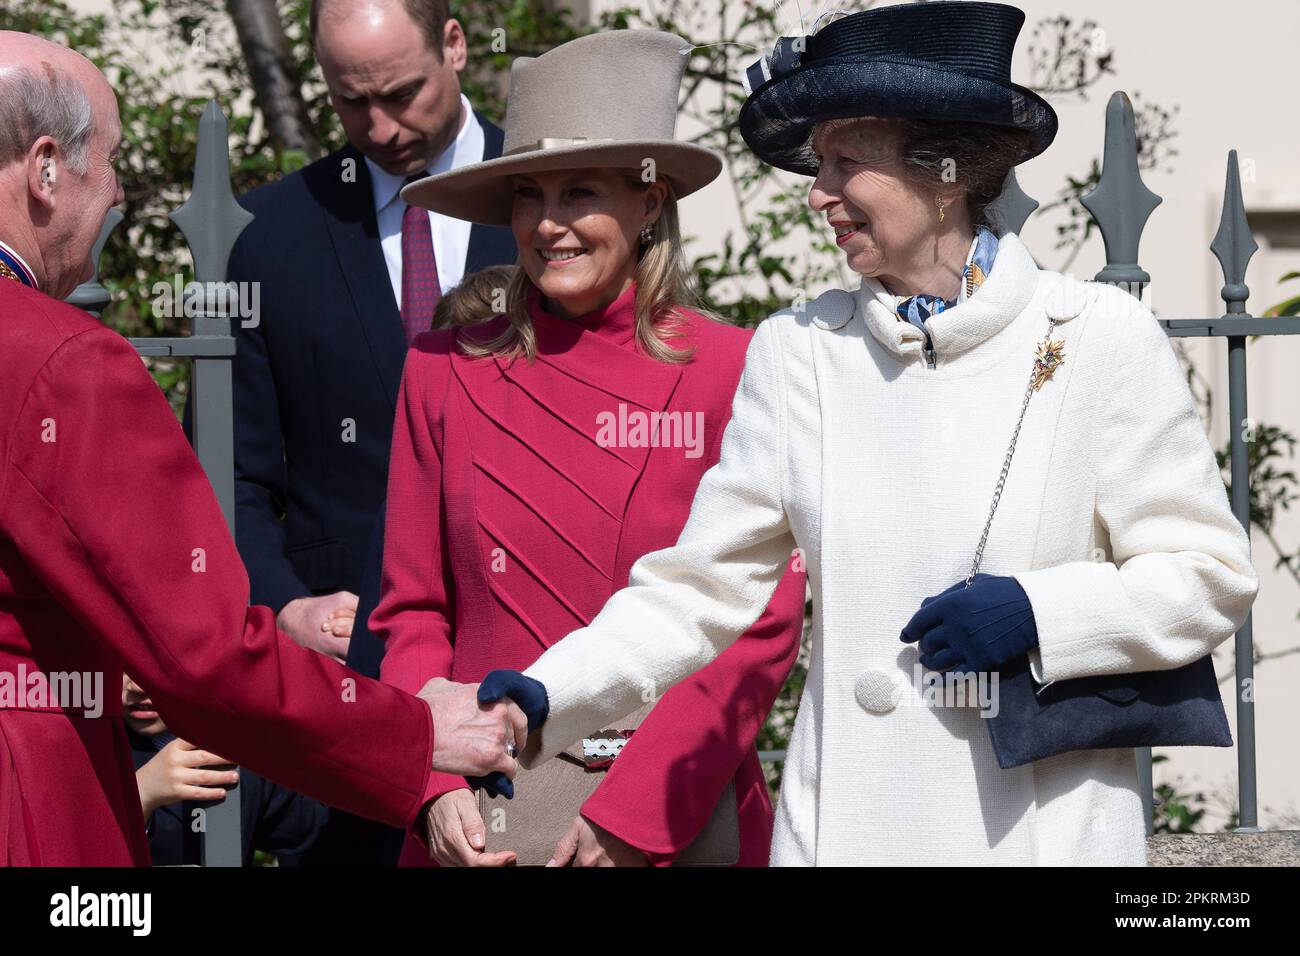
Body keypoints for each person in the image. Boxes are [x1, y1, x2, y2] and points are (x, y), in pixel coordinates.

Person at [480, 2, 1259, 865]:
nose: (817, 194)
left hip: (1041, 834)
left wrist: (1043, 613)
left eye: (845, 161)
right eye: (817, 164)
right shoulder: (801, 354)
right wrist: (555, 689)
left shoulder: (1095, 338)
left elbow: (1209, 577)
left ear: (946, 173)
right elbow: (697, 590)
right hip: (845, 832)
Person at [0, 31, 521, 866]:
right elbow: (205, 657)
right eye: (112, 161)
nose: (122, 193)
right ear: (47, 167)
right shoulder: (62, 361)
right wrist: (415, 734)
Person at [372, 28, 808, 867]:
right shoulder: (440, 371)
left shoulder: (739, 369)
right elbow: (412, 611)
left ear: (650, 202)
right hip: (481, 815)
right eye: (529, 195)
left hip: (678, 812)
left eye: (580, 192)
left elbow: (760, 624)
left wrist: (636, 817)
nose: (549, 225)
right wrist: (432, 778)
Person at [195, 0, 518, 866]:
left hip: (532, 664)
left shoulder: (553, 205)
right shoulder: (269, 239)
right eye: (349, 102)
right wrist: (281, 607)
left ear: (454, 44)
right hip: (347, 696)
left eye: (402, 92)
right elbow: (230, 473)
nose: (380, 126)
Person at [124, 675, 328, 866]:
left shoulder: (243, 743)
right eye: (119, 660)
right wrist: (138, 798)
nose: (137, 685)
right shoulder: (98, 757)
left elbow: (312, 832)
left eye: (151, 658)